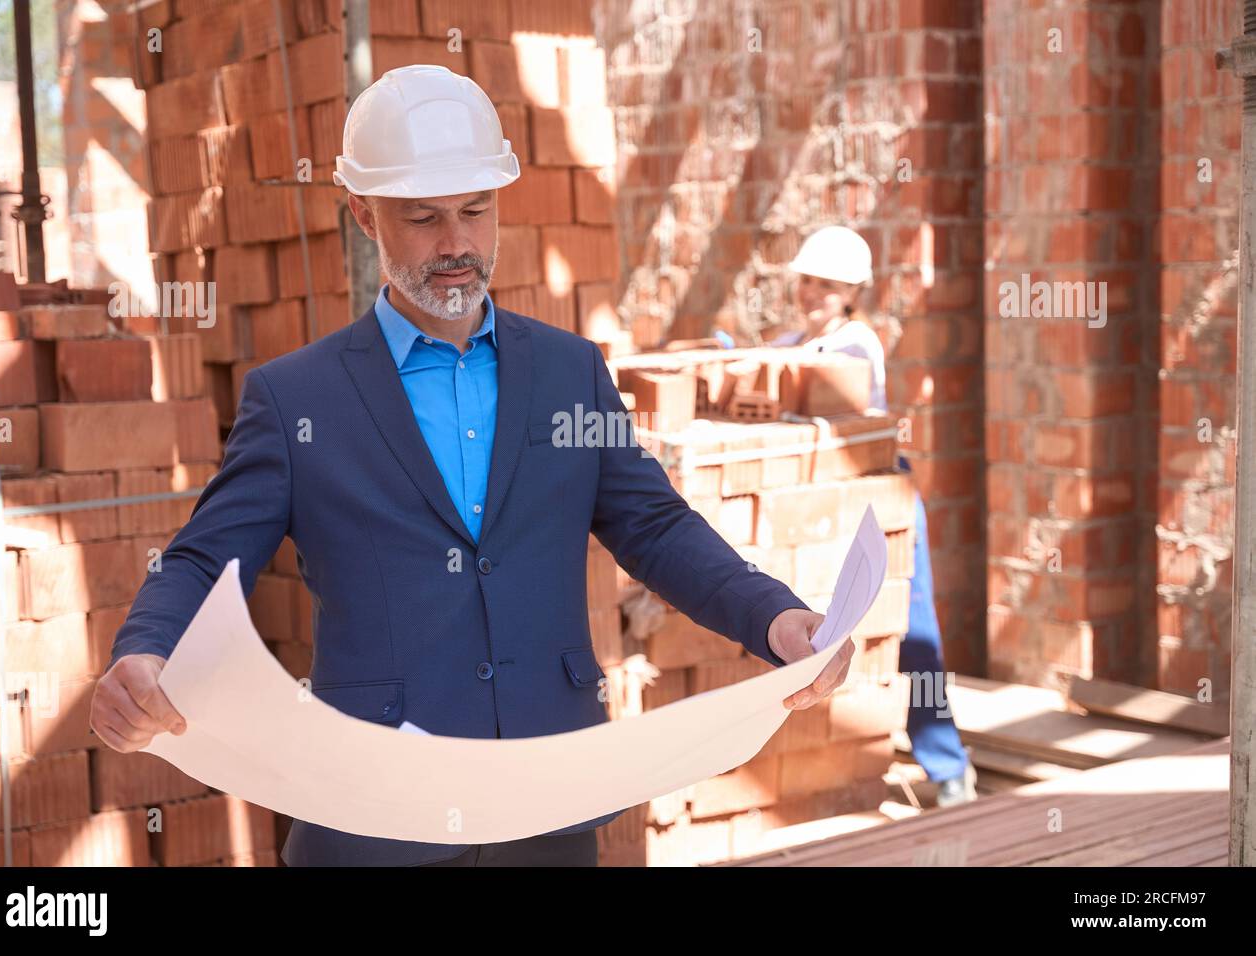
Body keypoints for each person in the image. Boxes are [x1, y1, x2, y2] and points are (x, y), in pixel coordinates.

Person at [89, 65, 856, 867]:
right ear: (363, 212)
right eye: (421, 218)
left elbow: (655, 527)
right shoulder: (294, 399)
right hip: (373, 816)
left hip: (549, 804)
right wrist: (147, 651)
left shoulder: (570, 372)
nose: (455, 245)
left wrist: (774, 618)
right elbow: (208, 558)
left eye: (475, 211)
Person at [786, 225, 977, 807]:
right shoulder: (793, 339)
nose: (814, 292)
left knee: (914, 635)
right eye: (808, 280)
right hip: (826, 499)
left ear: (852, 292)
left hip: (879, 497)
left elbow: (823, 402)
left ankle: (949, 770)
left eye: (829, 284)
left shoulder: (854, 343)